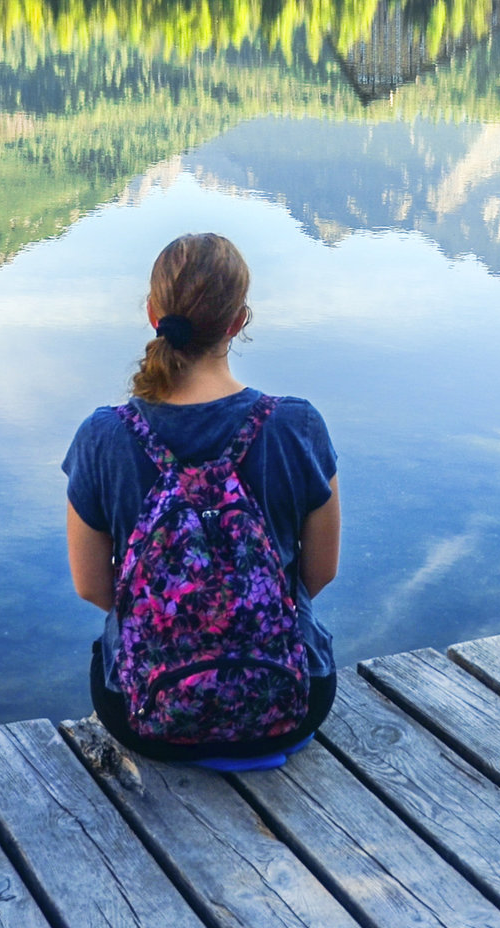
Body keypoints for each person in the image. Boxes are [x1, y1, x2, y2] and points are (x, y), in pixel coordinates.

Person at [63, 232, 340, 768]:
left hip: (145, 714)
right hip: (292, 703)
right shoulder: (297, 425)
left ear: (152, 314)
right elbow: (320, 573)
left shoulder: (103, 437)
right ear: (239, 321)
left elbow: (92, 587)